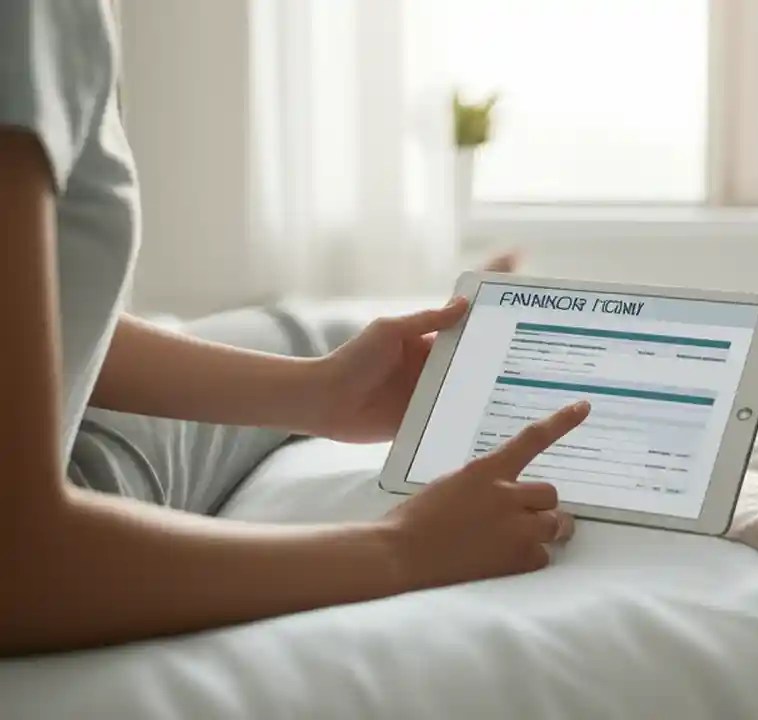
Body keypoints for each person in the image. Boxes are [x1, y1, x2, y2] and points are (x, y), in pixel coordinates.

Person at [0, 1, 583, 656]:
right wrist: (404, 548)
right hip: (65, 492)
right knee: (311, 328)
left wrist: (318, 392)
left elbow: (55, 322)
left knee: (313, 335)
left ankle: (435, 295)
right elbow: (20, 562)